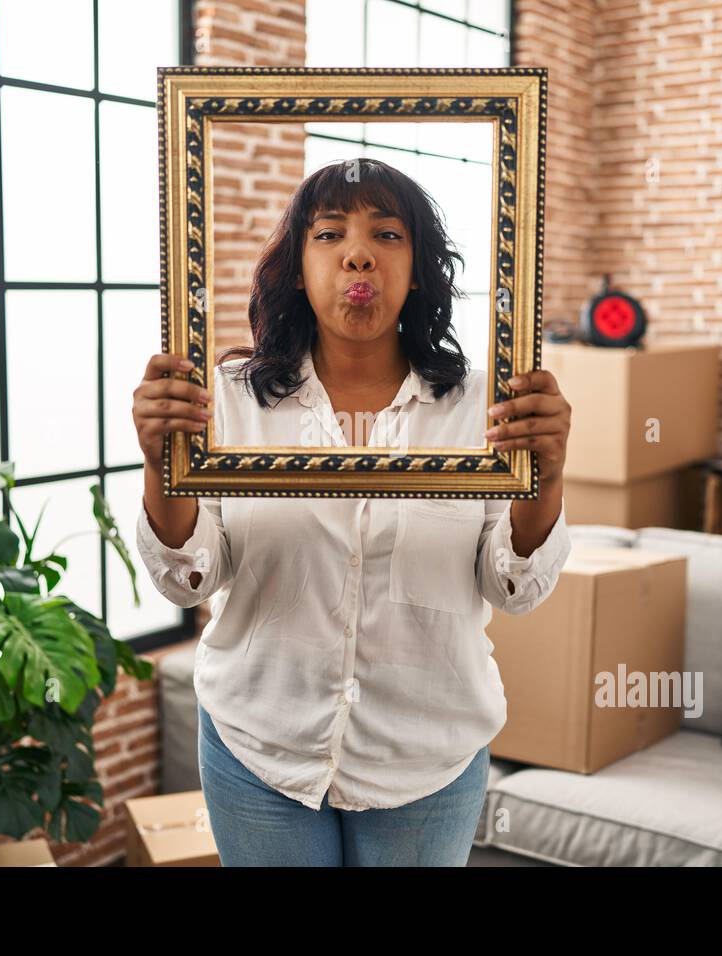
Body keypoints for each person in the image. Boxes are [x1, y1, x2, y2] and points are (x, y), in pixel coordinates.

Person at [131, 158, 573, 866]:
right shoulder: (229, 400)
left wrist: (546, 479)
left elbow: (512, 587)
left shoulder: (486, 410)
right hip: (259, 746)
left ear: (420, 267)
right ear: (297, 266)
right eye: (330, 233)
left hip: (426, 756)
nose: (358, 253)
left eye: (387, 234)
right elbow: (188, 579)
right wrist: (161, 464)